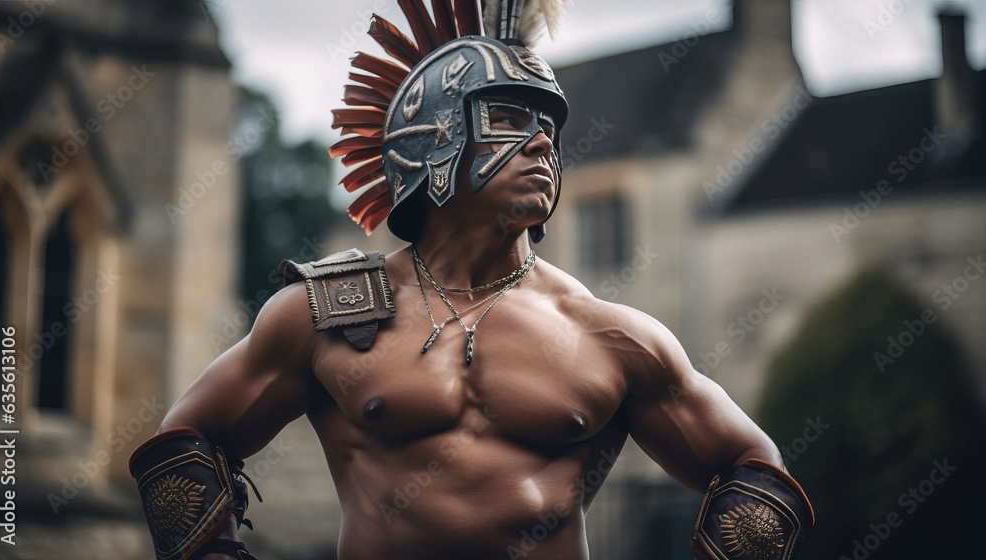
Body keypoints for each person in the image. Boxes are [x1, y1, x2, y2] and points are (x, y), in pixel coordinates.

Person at [129, 2, 814, 559]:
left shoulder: (610, 336)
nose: (544, 143)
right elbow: (186, 436)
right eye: (511, 119)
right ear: (433, 140)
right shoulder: (323, 312)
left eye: (549, 127)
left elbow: (756, 467)